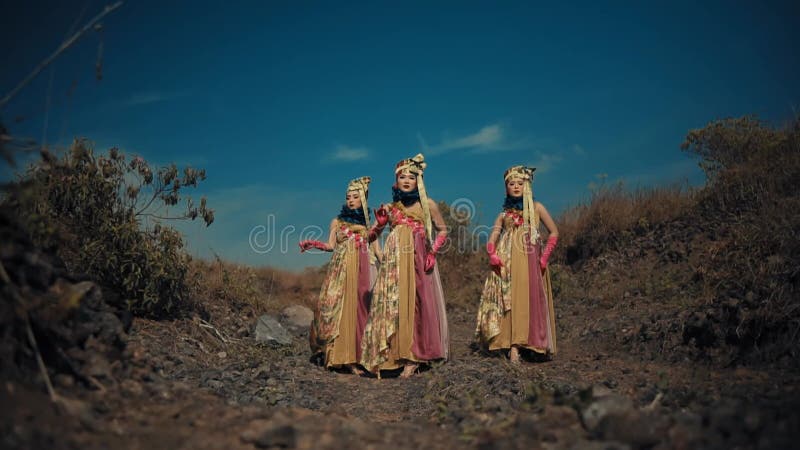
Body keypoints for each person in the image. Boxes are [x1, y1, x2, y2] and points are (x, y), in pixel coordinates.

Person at [360, 153, 449, 378]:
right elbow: (370, 238)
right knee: (394, 305)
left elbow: (443, 230)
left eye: (412, 176)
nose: (407, 180)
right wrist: (379, 225)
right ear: (396, 181)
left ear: (419, 180)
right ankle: (393, 355)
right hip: (393, 264)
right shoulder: (390, 208)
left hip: (418, 260)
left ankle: (413, 358)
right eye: (403, 177)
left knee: (418, 303)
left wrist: (433, 252)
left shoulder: (427, 204)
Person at [475, 165, 559, 362]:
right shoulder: (503, 215)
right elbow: (492, 237)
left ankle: (531, 343)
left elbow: (554, 232)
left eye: (520, 183)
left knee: (529, 299)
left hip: (531, 261)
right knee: (510, 300)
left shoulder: (537, 208)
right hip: (508, 262)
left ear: (527, 185)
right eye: (511, 184)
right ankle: (513, 345)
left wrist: (545, 257)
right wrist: (492, 254)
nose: (515, 187)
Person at [299, 176, 379, 374]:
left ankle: (357, 357)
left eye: (355, 197)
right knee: (338, 310)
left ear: (363, 199)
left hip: (362, 272)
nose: (350, 200)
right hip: (340, 271)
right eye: (348, 197)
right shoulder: (337, 221)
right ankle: (338, 356)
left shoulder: (369, 226)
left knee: (359, 311)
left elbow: (379, 253)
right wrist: (314, 244)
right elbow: (330, 246)